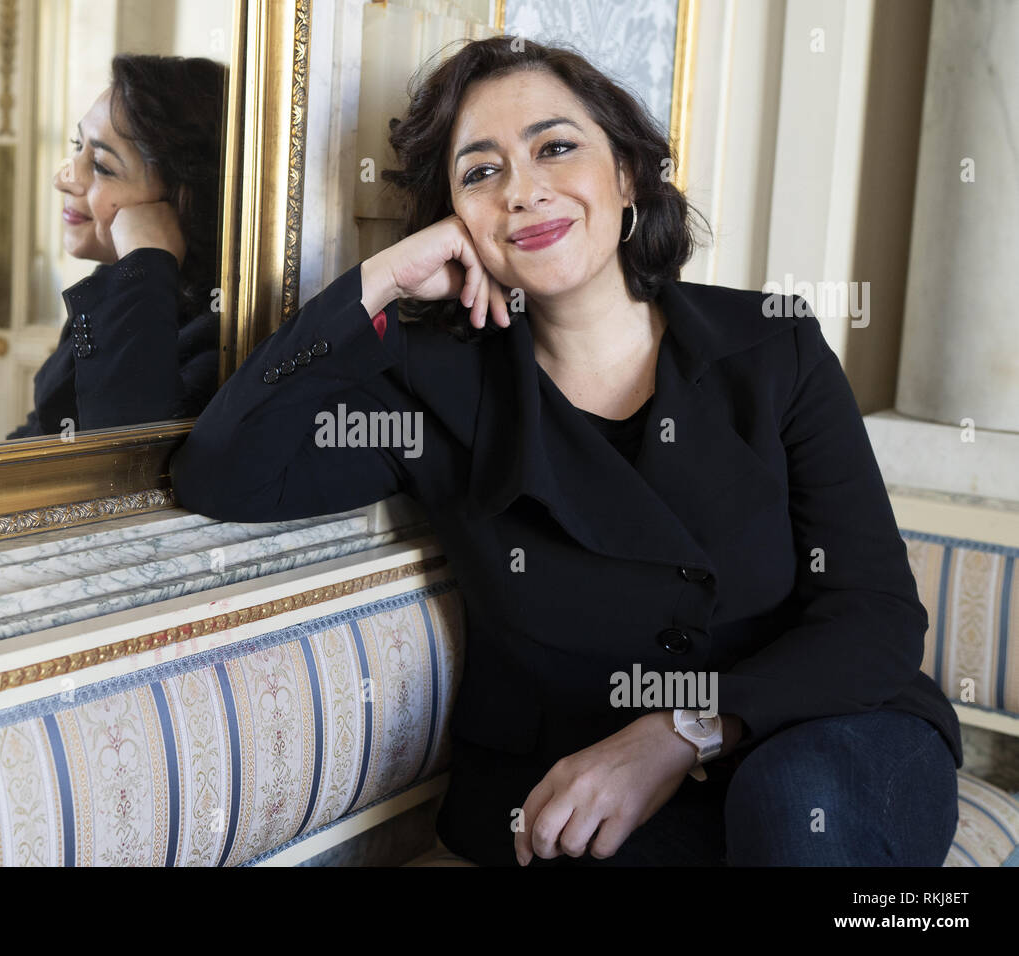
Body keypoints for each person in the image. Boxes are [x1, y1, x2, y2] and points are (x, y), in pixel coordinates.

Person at [170, 36, 962, 866]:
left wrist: (681, 730)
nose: (523, 191)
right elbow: (224, 469)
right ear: (452, 219)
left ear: (625, 176)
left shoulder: (772, 347)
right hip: (602, 795)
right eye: (480, 173)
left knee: (799, 807)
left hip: (830, 729)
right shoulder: (435, 392)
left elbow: (875, 612)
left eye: (555, 147)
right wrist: (380, 281)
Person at [8, 54, 224, 439]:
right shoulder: (111, 286)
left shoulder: (216, 338)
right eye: (77, 146)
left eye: (104, 167)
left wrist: (147, 261)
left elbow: (122, 456)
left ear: (182, 201)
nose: (64, 179)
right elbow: (41, 430)